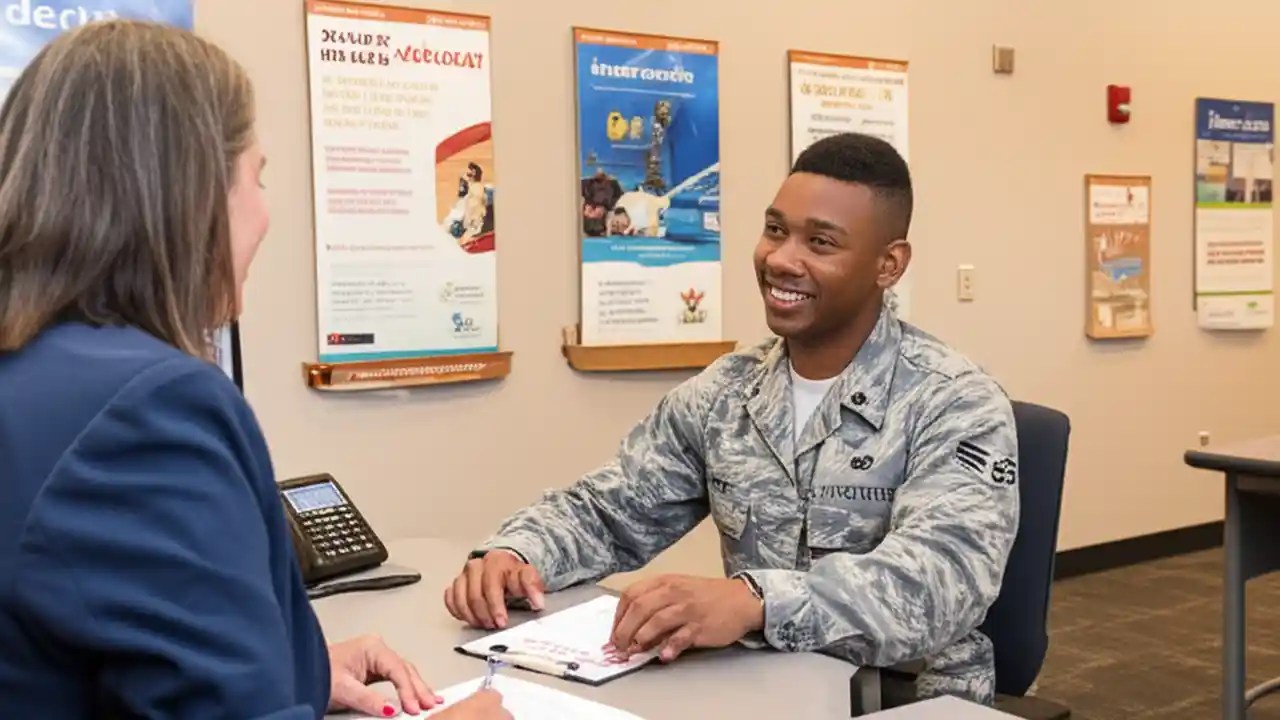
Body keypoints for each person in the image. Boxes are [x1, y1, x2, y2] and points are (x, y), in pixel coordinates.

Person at [0, 21, 508, 720]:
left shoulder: (33, 377)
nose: (265, 215)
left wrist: (298, 672)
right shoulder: (150, 408)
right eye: (257, 177)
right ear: (192, 194)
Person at [445, 132, 1020, 705]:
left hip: (909, 697)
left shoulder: (955, 400)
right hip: (759, 689)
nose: (781, 259)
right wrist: (516, 554)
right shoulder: (727, 391)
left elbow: (942, 580)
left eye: (820, 243)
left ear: (888, 264)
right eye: (775, 230)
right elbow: (612, 508)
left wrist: (754, 603)